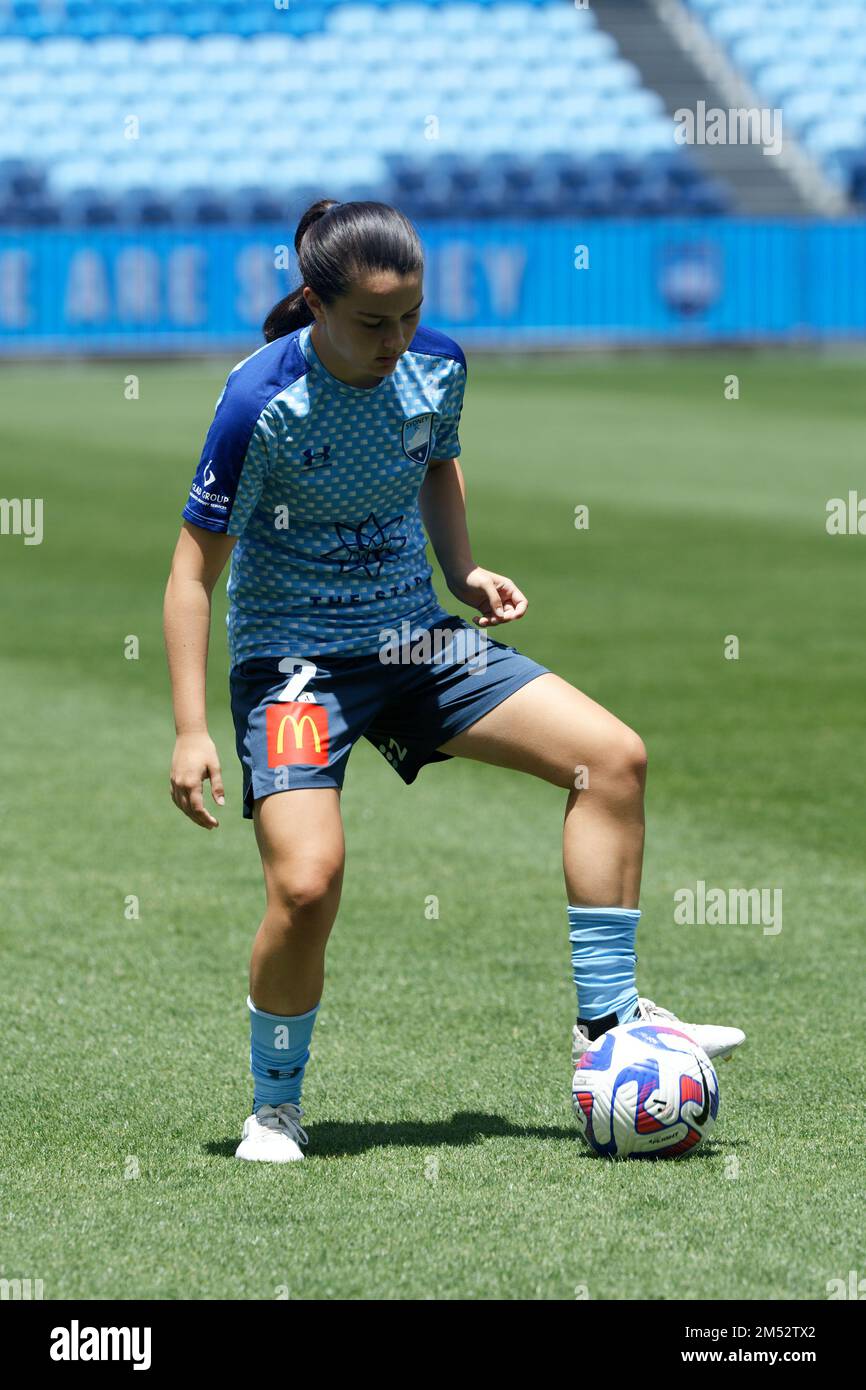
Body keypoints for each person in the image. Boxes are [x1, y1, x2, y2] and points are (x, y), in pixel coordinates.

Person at [163, 199, 745, 1163]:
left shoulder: (439, 363)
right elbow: (191, 575)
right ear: (316, 303)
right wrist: (191, 730)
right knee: (306, 886)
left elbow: (435, 461)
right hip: (296, 669)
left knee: (611, 759)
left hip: (416, 643)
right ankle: (274, 1108)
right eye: (372, 322)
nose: (397, 341)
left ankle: (608, 1032)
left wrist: (463, 569)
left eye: (409, 316)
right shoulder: (257, 402)